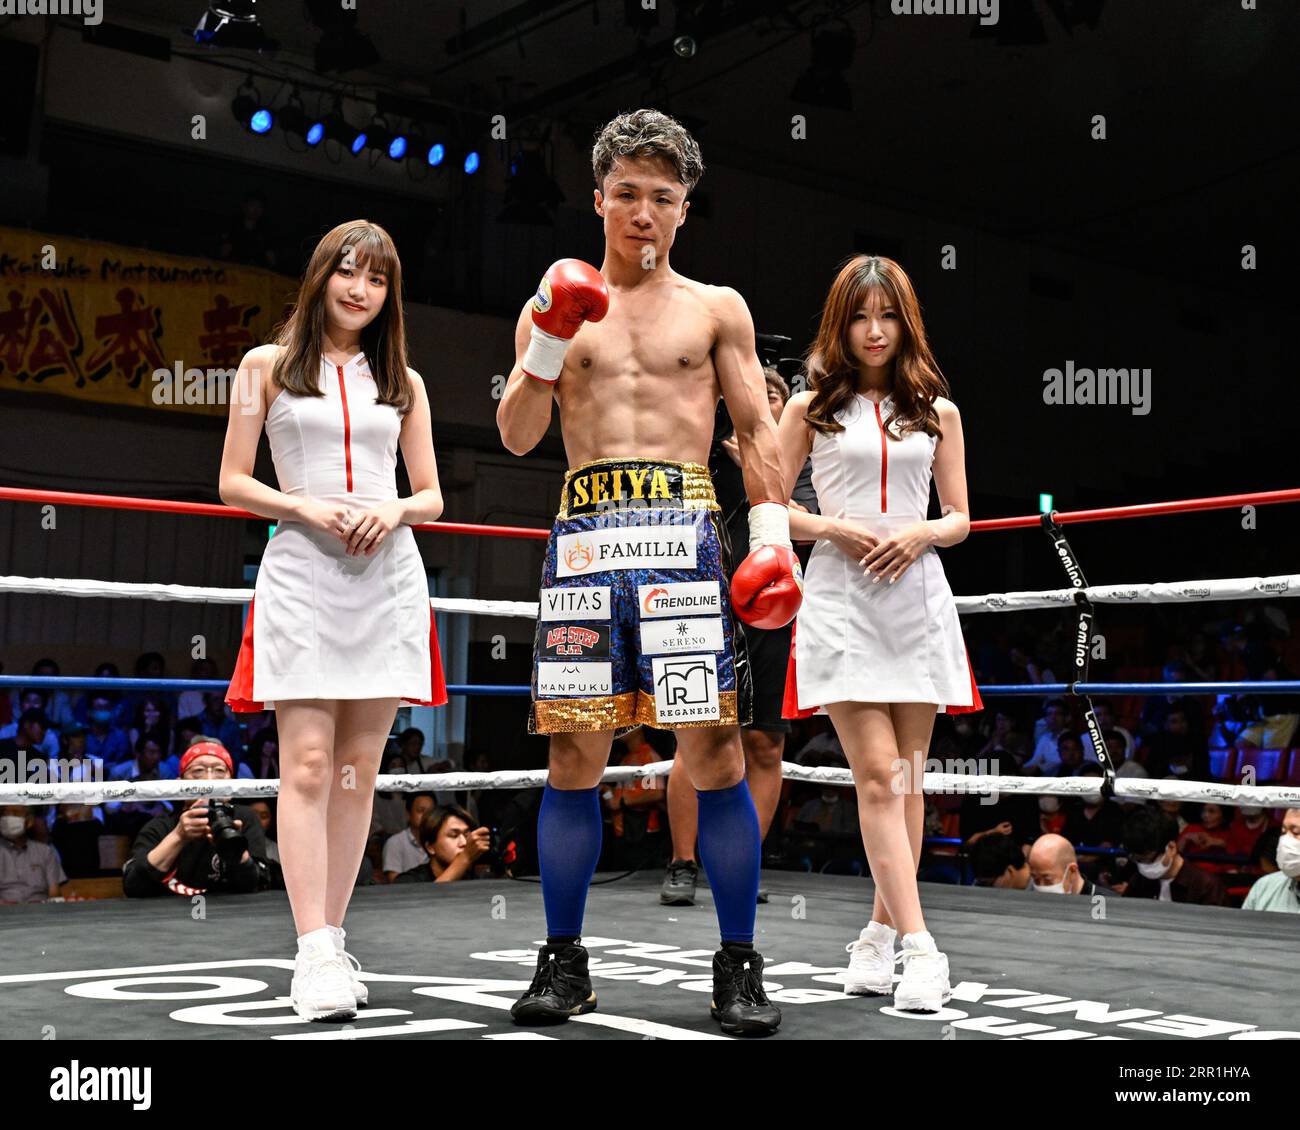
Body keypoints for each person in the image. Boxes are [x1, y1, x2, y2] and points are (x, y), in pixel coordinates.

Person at [495, 109, 800, 1036]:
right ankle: (563, 965)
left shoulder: (717, 308)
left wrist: (774, 535)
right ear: (598, 199)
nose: (642, 212)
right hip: (587, 534)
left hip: (685, 536)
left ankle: (739, 969)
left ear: (683, 209)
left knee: (711, 753)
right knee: (573, 754)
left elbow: (753, 431)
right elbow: (517, 434)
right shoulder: (552, 298)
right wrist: (549, 334)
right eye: (625, 193)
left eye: (661, 197)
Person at [221, 219, 448, 1022]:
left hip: (386, 575)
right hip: (305, 572)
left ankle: (335, 937)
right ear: (320, 277)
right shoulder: (264, 368)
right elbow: (231, 482)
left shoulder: (405, 382)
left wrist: (391, 512)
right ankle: (311, 951)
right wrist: (304, 507)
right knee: (309, 767)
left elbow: (431, 494)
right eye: (348, 273)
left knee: (358, 772)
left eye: (378, 280)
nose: (361, 290)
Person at [775, 254, 981, 1013]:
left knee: (906, 781)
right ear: (841, 323)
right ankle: (923, 949)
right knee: (874, 774)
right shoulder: (807, 407)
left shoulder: (938, 409)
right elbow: (769, 508)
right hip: (840, 595)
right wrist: (836, 526)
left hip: (917, 595)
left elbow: (961, 517)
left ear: (905, 321)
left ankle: (875, 939)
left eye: (886, 315)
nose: (873, 331)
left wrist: (922, 534)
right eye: (860, 316)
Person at [662, 369, 802, 906]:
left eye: (775, 395)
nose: (764, 399)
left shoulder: (795, 456)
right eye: (755, 391)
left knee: (765, 740)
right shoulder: (700, 443)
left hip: (773, 603)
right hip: (703, 595)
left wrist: (764, 475)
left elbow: (813, 520)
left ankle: (741, 863)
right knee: (696, 733)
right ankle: (682, 862)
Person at [121, 741, 270, 899]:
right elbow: (133, 886)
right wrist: (178, 836)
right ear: (180, 784)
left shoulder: (243, 819)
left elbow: (259, 882)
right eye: (198, 770)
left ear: (231, 783)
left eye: (219, 770)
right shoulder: (161, 827)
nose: (209, 779)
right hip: (170, 916)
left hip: (234, 915)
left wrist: (235, 850)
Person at [1119, 807, 1227, 905]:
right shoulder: (1139, 881)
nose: (1143, 866)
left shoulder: (1207, 887)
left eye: (1146, 859)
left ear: (1171, 848)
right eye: (1136, 860)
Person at [394, 805, 490, 883]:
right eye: (453, 835)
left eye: (466, 835)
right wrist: (464, 858)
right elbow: (427, 902)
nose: (464, 842)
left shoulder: (474, 879)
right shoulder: (409, 881)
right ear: (430, 847)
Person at [0, 805, 66, 902]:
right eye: (4, 813)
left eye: (16, 813)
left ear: (29, 821)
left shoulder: (45, 852)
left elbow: (54, 892)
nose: (8, 818)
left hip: (40, 910)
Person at [1242, 810, 1299, 913]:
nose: (1286, 841)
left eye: (1296, 832)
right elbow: (1242, 927)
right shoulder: (1264, 886)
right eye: (1284, 832)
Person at [1027, 833, 1114, 896]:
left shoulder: (1107, 904)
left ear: (1072, 871)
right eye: (1036, 880)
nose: (1041, 887)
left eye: (1048, 880)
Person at [382, 792, 436, 881]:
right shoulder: (395, 843)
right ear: (408, 814)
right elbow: (395, 884)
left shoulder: (440, 841)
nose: (427, 816)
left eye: (431, 811)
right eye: (421, 811)